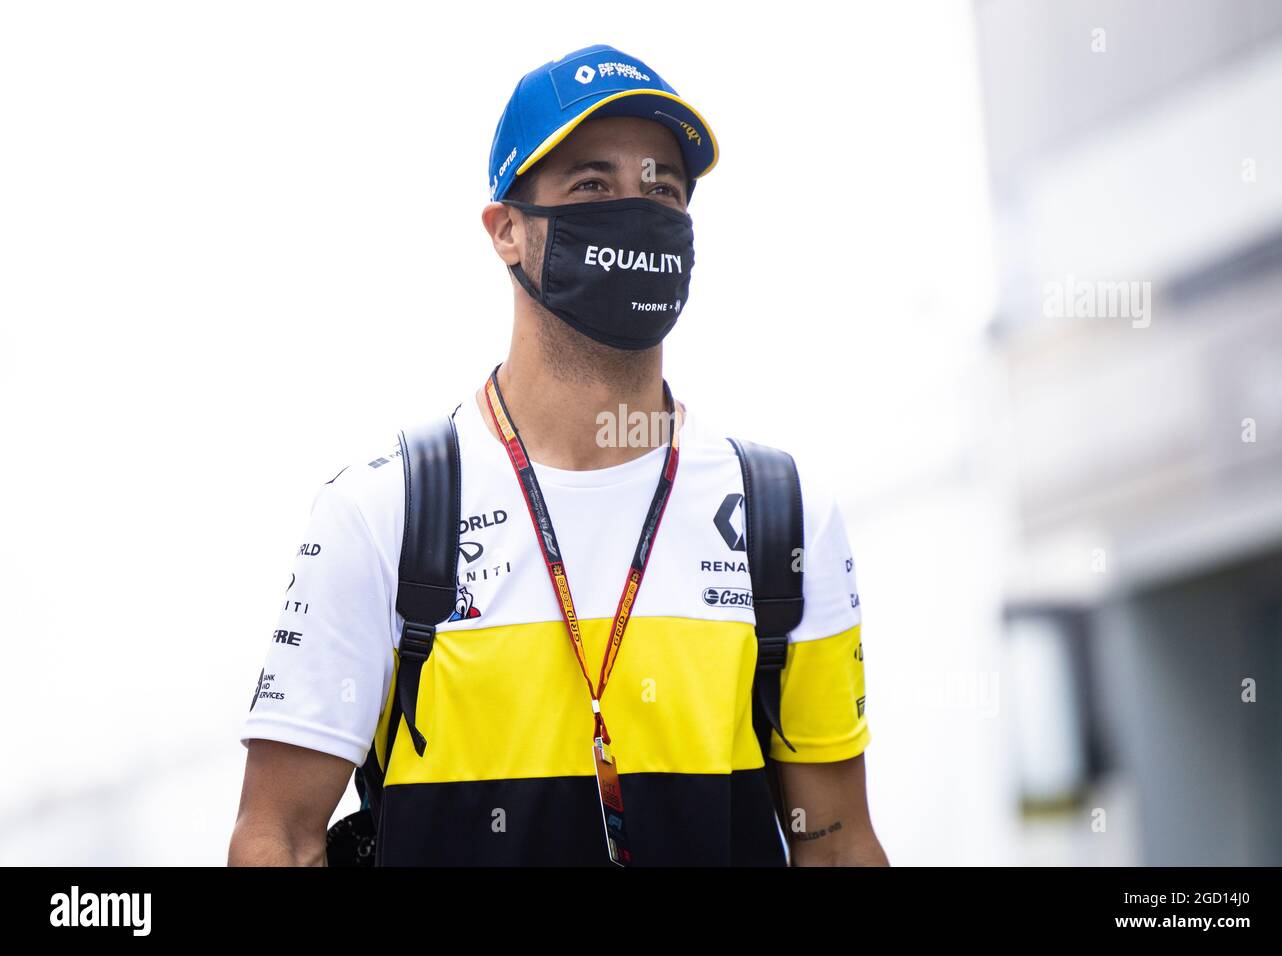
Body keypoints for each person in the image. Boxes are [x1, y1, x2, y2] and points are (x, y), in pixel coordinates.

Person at [229, 43, 888, 867]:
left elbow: (836, 847)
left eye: (663, 189)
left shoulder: (781, 515)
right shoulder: (383, 515)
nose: (636, 209)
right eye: (592, 185)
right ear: (506, 230)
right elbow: (277, 841)